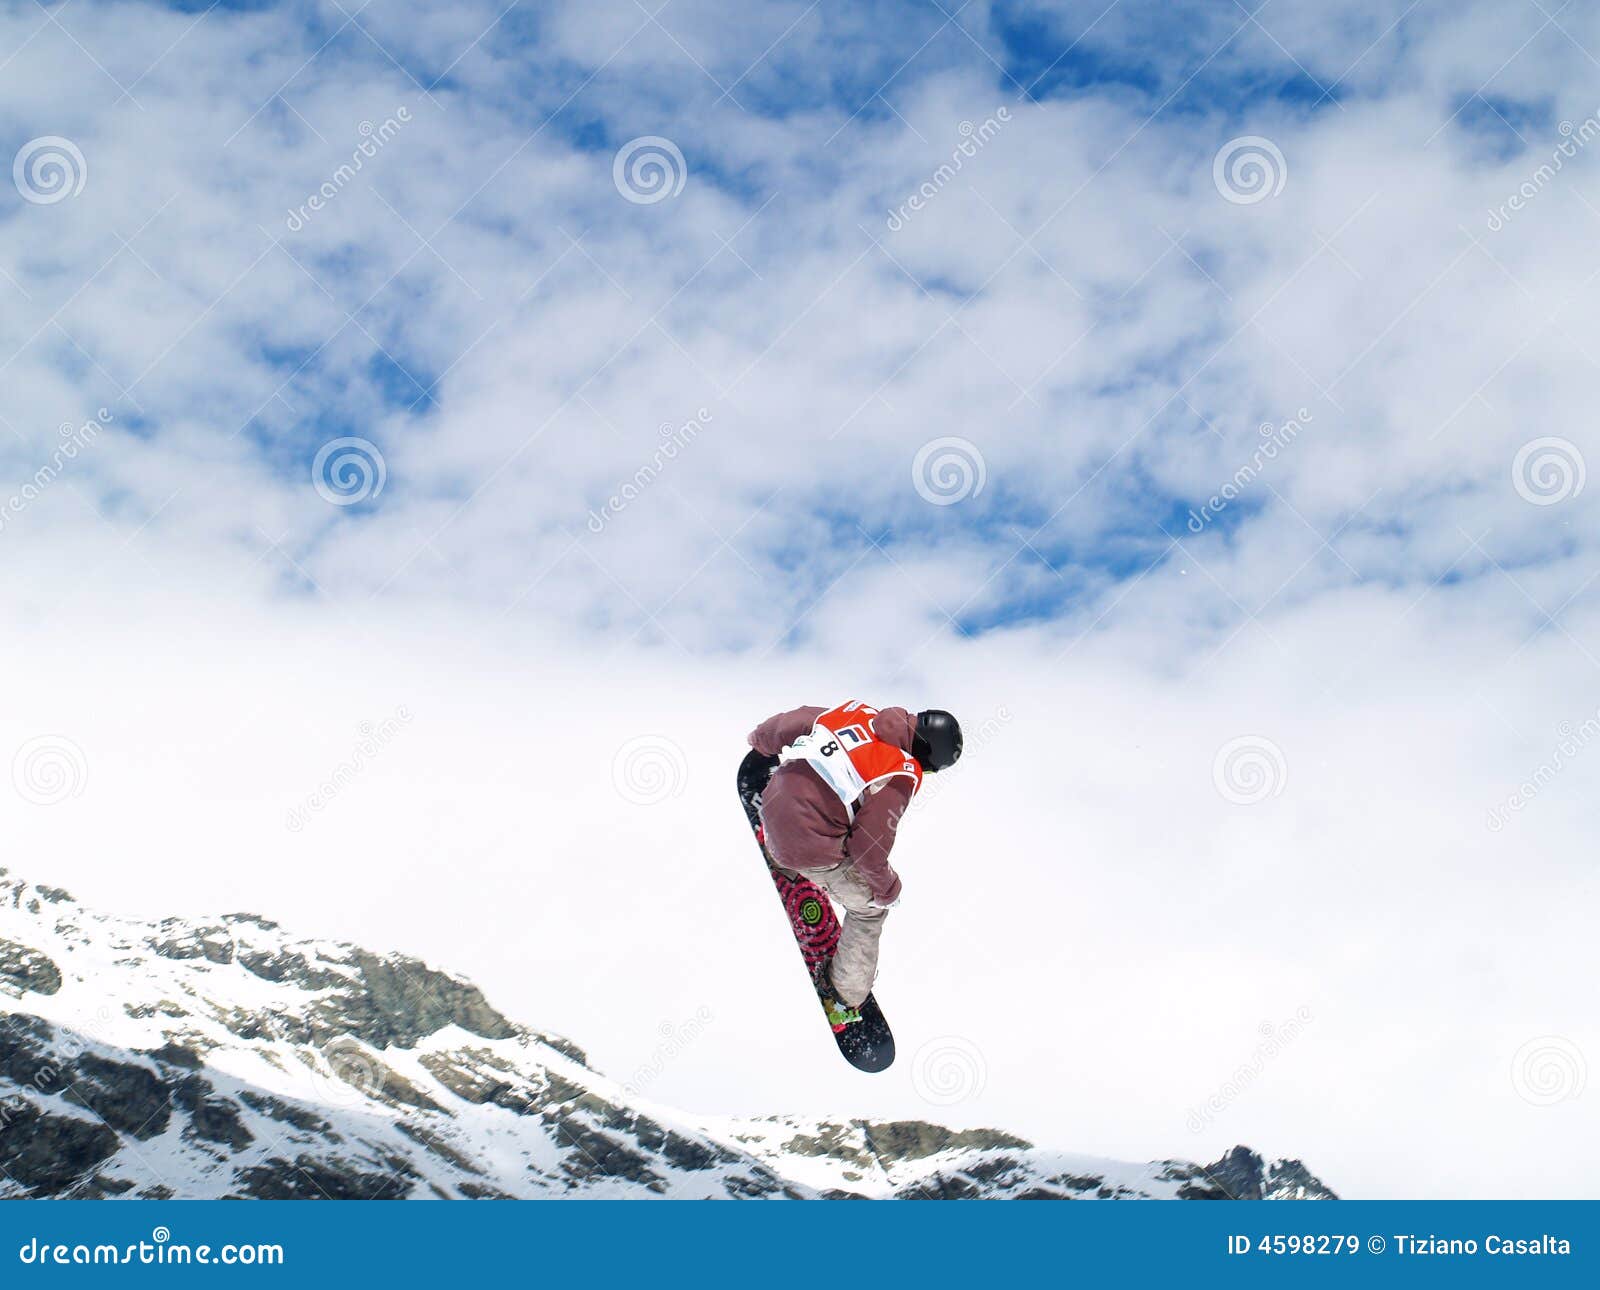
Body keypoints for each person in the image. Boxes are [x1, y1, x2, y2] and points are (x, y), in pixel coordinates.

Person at [746, 701, 962, 1023]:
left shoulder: (857, 711)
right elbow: (867, 849)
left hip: (772, 802)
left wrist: (760, 740)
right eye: (929, 769)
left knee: (831, 808)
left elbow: (791, 722)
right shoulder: (903, 769)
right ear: (927, 756)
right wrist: (888, 889)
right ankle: (844, 998)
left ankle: (786, 856)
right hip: (805, 846)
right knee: (870, 910)